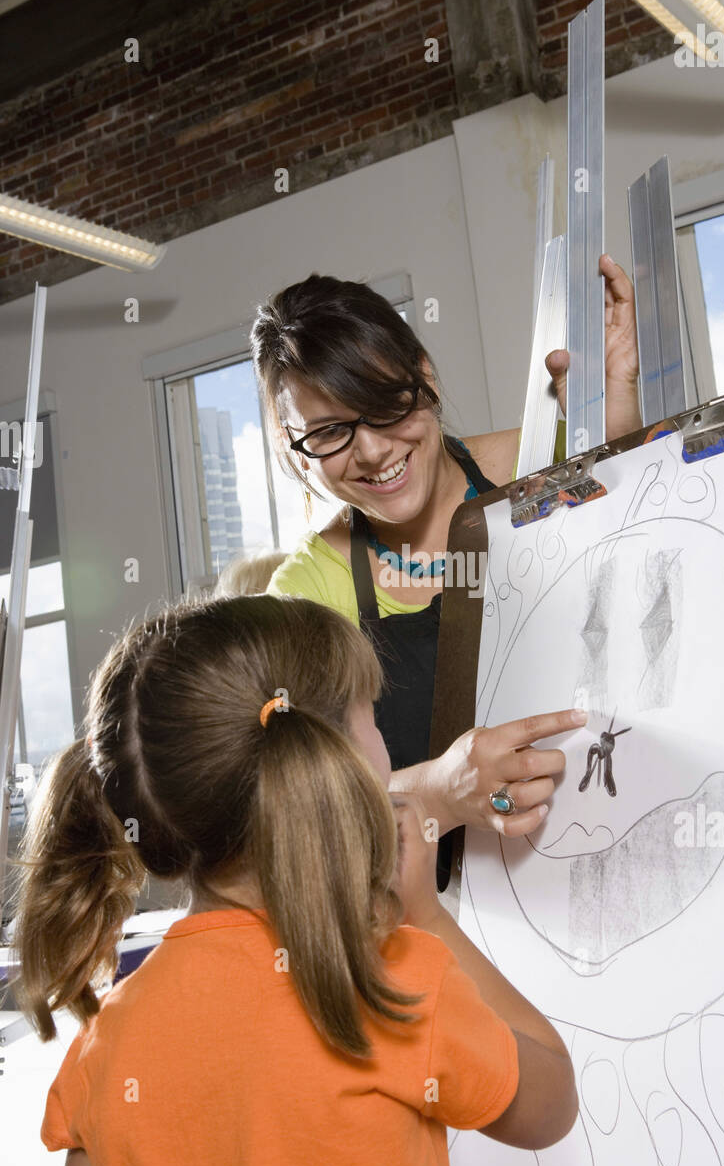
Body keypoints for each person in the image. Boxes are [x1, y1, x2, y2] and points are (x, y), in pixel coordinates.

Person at [13, 594, 579, 1166]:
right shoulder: (390, 985)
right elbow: (551, 1100)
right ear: (332, 765)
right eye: (373, 720)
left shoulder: (102, 1053)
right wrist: (425, 915)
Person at [252, 261, 641, 852]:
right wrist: (438, 792)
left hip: (612, 847)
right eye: (330, 431)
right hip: (433, 924)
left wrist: (618, 425)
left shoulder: (540, 463)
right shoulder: (305, 595)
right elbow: (294, 816)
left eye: (387, 402)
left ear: (424, 376)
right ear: (295, 447)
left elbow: (647, 559)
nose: (375, 450)